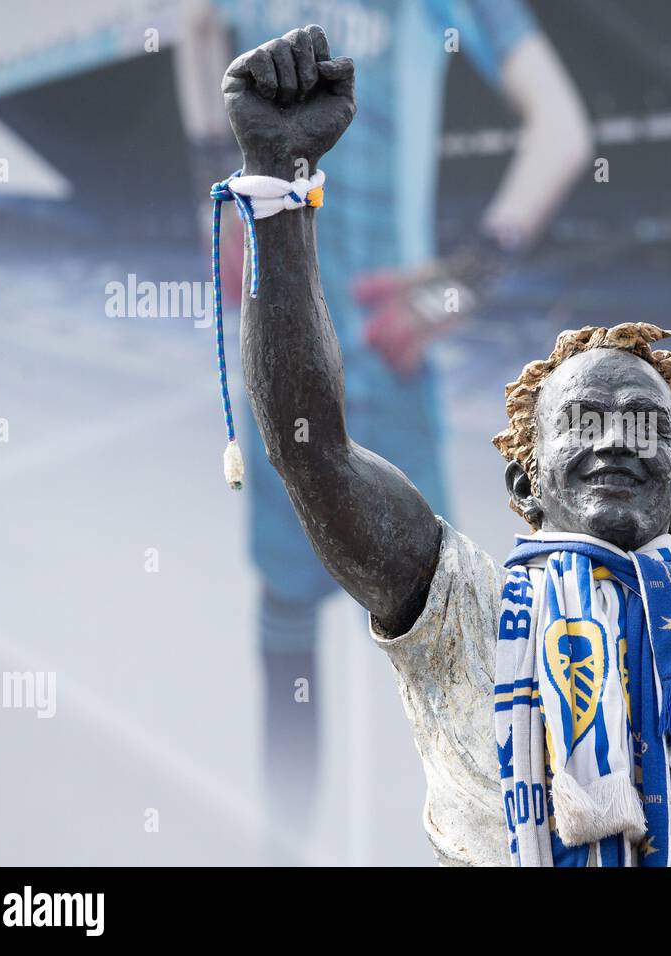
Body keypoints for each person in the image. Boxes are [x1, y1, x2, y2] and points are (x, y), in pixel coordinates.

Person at [224, 26, 671, 865]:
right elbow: (312, 451)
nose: (615, 444)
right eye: (583, 424)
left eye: (646, 428)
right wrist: (278, 185)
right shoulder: (456, 612)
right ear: (524, 482)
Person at [181, 2, 592, 840]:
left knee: (405, 645)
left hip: (298, 353)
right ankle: (346, 841)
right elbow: (563, 130)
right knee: (442, 654)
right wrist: (461, 284)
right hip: (360, 353)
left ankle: (288, 842)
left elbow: (192, 29)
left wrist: (212, 194)